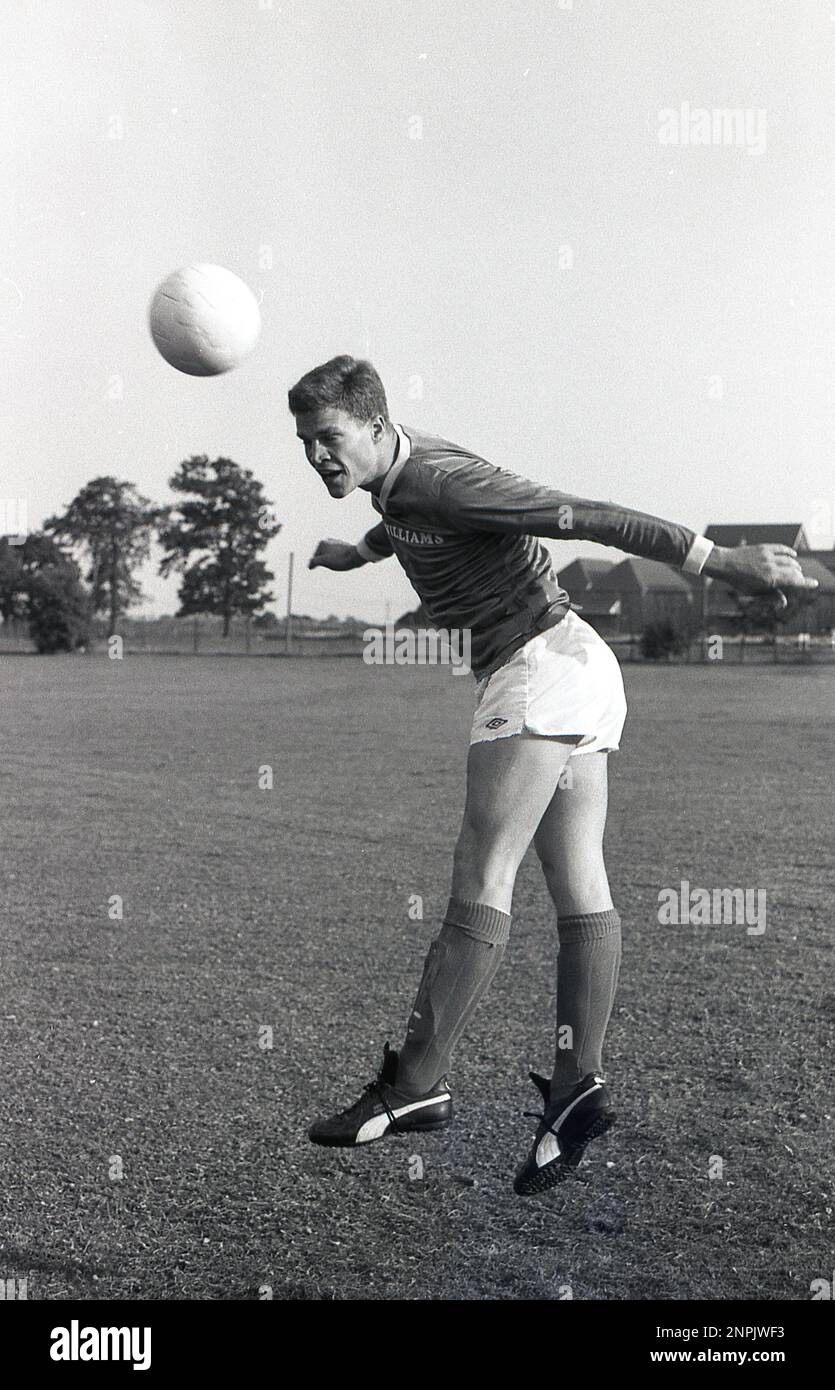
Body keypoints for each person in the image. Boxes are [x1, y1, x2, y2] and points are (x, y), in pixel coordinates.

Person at [289, 354, 816, 1195]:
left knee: (481, 869)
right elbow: (406, 518)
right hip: (572, 664)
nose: (317, 456)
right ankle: (575, 1092)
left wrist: (723, 561)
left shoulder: (445, 479)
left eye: (329, 438)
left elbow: (590, 517)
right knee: (577, 883)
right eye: (306, 443)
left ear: (379, 426)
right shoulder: (398, 477)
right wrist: (357, 553)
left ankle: (414, 1088)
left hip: (537, 664)